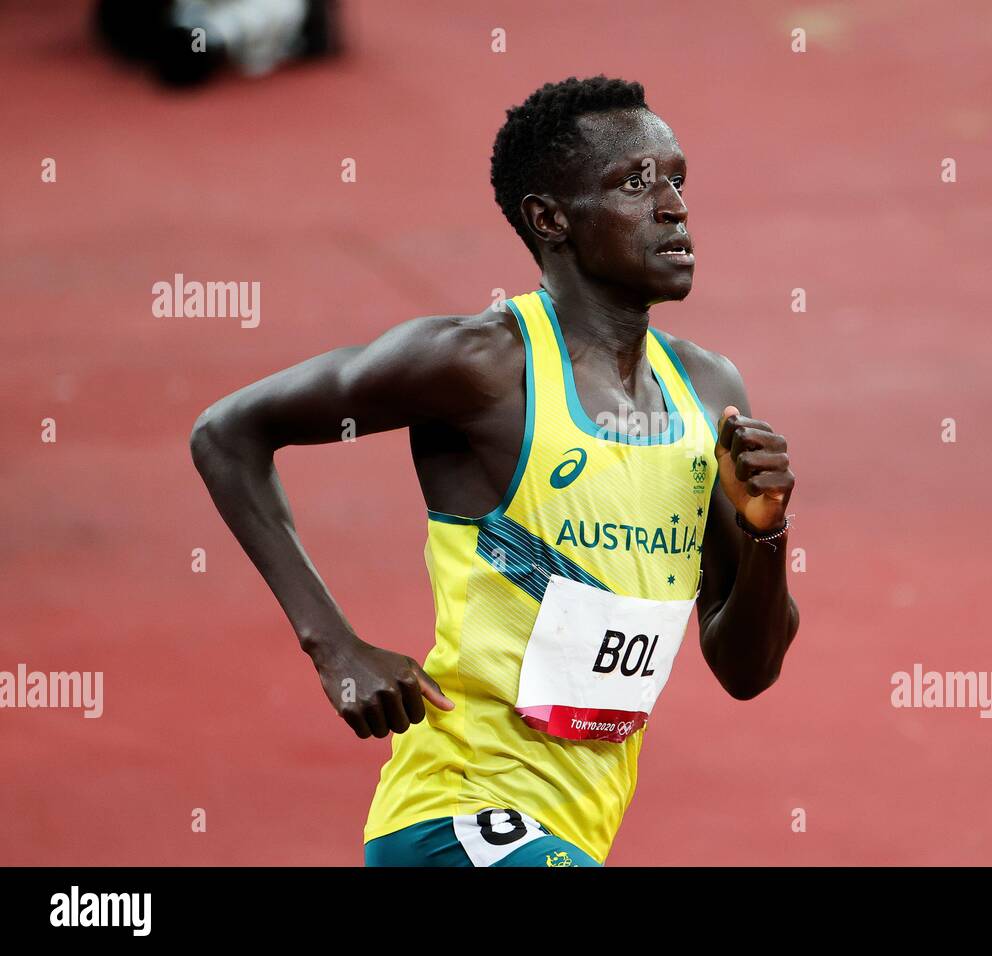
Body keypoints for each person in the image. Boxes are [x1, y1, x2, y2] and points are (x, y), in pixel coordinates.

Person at [190, 75, 800, 867]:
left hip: (574, 828)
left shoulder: (708, 393)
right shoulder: (480, 367)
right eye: (635, 185)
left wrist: (766, 533)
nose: (675, 207)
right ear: (550, 220)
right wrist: (331, 645)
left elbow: (746, 671)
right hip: (457, 811)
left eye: (678, 180)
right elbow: (228, 433)